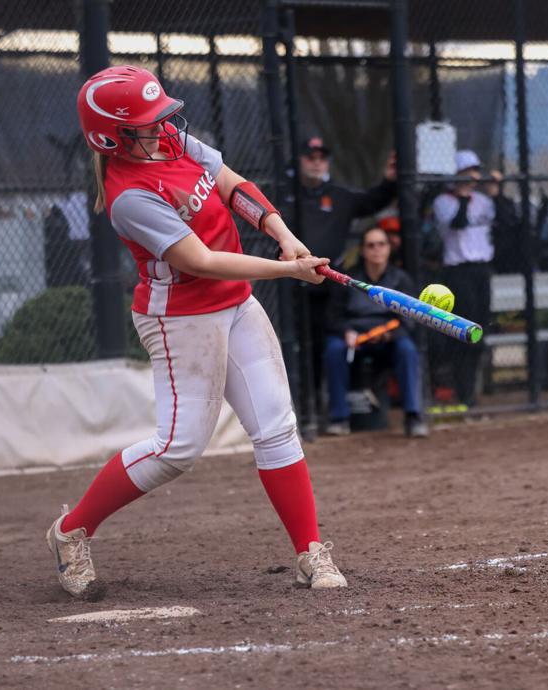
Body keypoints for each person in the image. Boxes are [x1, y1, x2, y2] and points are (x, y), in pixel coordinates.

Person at [46, 65, 346, 599]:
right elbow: (203, 261)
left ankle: (310, 552)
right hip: (181, 318)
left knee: (276, 426)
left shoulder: (168, 137)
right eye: (145, 120)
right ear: (111, 136)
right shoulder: (129, 196)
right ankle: (71, 532)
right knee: (178, 448)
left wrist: (284, 234)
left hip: (235, 305)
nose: (162, 124)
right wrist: (287, 270)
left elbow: (231, 185)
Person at [281, 136, 398, 393]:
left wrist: (390, 181)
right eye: (310, 158)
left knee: (329, 344)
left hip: (331, 287)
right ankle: (302, 405)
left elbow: (372, 201)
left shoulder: (339, 196)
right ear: (300, 161)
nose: (316, 163)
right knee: (296, 348)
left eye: (321, 158)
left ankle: (331, 407)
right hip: (291, 286)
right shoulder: (285, 194)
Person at [323, 226, 428, 438]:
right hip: (355, 339)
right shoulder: (349, 279)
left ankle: (413, 417)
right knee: (333, 349)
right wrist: (347, 332)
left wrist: (390, 334)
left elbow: (409, 319)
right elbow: (332, 317)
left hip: (389, 338)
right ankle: (339, 419)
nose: (376, 250)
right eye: (371, 245)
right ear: (363, 250)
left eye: (381, 244)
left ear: (389, 249)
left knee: (407, 349)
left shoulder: (401, 279)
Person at [431, 150, 495, 407]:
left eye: (474, 171)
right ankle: (464, 392)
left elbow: (504, 223)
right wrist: (464, 198)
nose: (471, 177)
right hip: (458, 271)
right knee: (465, 332)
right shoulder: (443, 201)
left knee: (482, 331)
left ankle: (472, 391)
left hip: (482, 269)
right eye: (465, 172)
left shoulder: (484, 200)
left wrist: (496, 193)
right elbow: (456, 224)